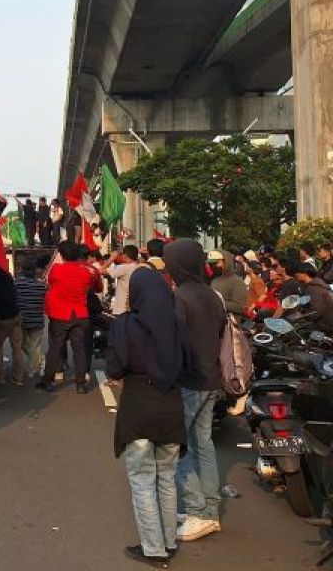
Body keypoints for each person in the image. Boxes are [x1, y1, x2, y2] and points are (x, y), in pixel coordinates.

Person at [107, 266, 186, 567]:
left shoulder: (124, 325)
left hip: (138, 407)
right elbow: (188, 363)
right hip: (171, 408)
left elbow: (114, 368)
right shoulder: (176, 323)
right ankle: (168, 540)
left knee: (142, 481)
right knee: (167, 478)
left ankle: (153, 549)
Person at [167, 239, 226, 544]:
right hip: (212, 379)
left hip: (189, 382)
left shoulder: (180, 297)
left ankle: (197, 510)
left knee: (176, 447)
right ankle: (211, 511)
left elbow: (173, 343)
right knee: (204, 445)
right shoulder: (212, 295)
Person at [36, 241, 100, 394]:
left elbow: (50, 283)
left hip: (59, 314)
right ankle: (80, 384)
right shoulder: (86, 272)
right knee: (79, 349)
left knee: (55, 349)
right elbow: (97, 287)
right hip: (79, 313)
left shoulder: (56, 270)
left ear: (62, 255)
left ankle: (48, 381)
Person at [0, 261, 25, 385]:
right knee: (17, 347)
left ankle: (0, 377)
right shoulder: (7, 275)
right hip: (15, 314)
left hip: (1, 317)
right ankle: (18, 378)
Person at [15, 257, 48, 378]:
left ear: (22, 270)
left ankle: (36, 365)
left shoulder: (16, 284)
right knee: (34, 346)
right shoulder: (41, 286)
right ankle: (34, 369)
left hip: (21, 320)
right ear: (35, 271)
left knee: (21, 345)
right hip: (37, 320)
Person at [102, 245, 141, 316]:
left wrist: (112, 258)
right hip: (134, 307)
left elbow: (100, 270)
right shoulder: (139, 266)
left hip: (121, 308)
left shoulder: (124, 267)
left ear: (125, 255)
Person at [206, 249, 247, 317]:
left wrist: (218, 303)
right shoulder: (214, 280)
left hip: (229, 323)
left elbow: (241, 307)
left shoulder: (237, 281)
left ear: (226, 262)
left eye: (216, 263)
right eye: (210, 264)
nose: (212, 266)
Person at [294, 264, 333, 332]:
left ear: (305, 274)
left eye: (298, 273)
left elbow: (316, 311)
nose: (296, 274)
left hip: (324, 325)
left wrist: (303, 316)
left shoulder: (313, 289)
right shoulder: (319, 284)